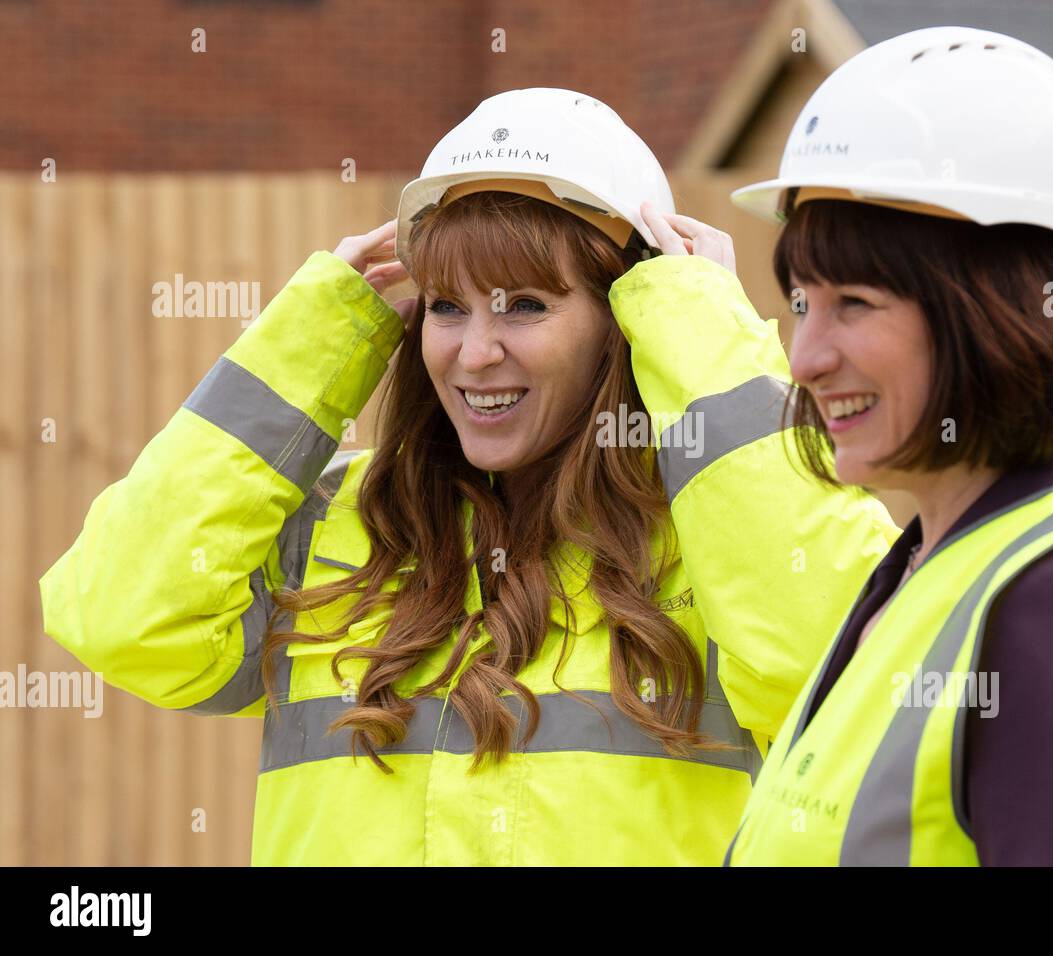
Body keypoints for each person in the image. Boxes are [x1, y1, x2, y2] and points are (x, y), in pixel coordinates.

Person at [38, 88, 898, 865]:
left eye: (525, 304)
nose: (475, 354)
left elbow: (845, 679)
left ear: (624, 319)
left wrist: (698, 327)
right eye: (449, 305)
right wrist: (316, 339)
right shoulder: (339, 523)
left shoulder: (717, 540)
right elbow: (122, 616)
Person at [723, 27, 1053, 865]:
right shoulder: (925, 572)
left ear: (1002, 310)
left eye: (856, 303)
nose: (804, 357)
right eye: (802, 301)